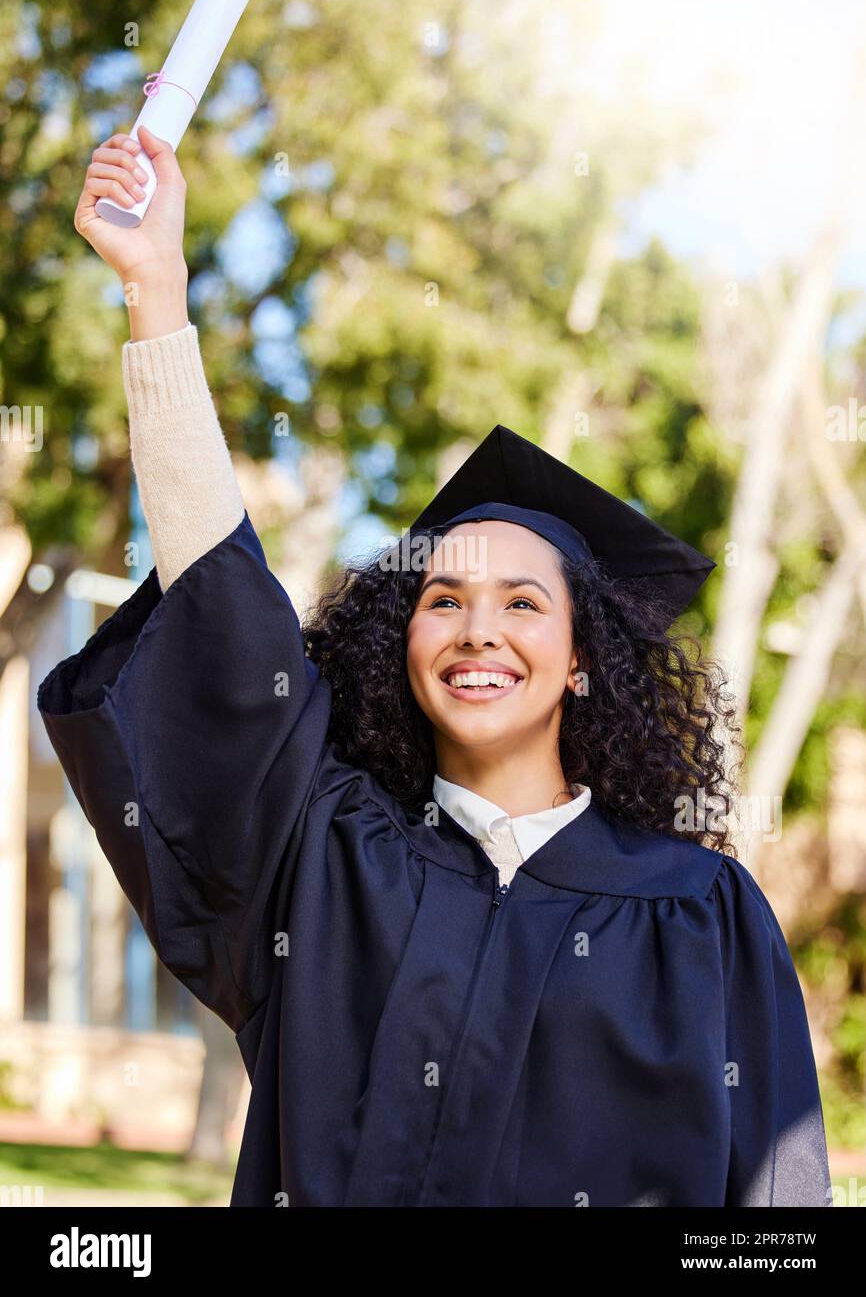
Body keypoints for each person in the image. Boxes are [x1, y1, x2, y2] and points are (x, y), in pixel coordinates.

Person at [37, 128, 833, 1208]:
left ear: (580, 659)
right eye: (440, 598)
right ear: (396, 647)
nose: (475, 629)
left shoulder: (698, 909)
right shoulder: (327, 857)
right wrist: (157, 292)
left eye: (521, 602)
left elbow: (774, 1204)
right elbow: (222, 611)